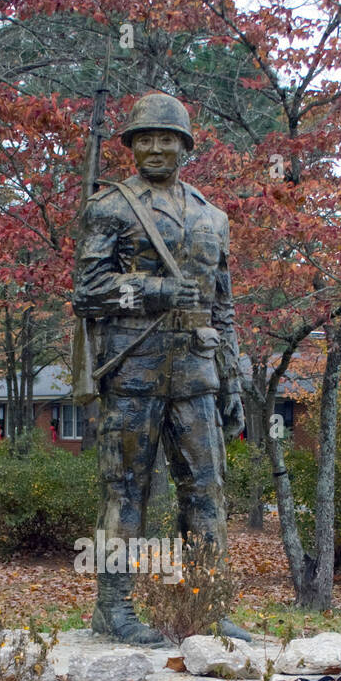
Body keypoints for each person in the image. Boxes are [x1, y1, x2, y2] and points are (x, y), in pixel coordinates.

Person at [73, 91, 249, 645]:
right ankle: (113, 608)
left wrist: (232, 373)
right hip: (133, 369)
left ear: (184, 146)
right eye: (144, 138)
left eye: (166, 138)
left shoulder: (212, 216)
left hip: (197, 371)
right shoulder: (110, 207)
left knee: (207, 489)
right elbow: (89, 292)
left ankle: (204, 606)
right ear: (130, 145)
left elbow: (221, 304)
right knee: (126, 492)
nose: (155, 147)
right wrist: (157, 291)